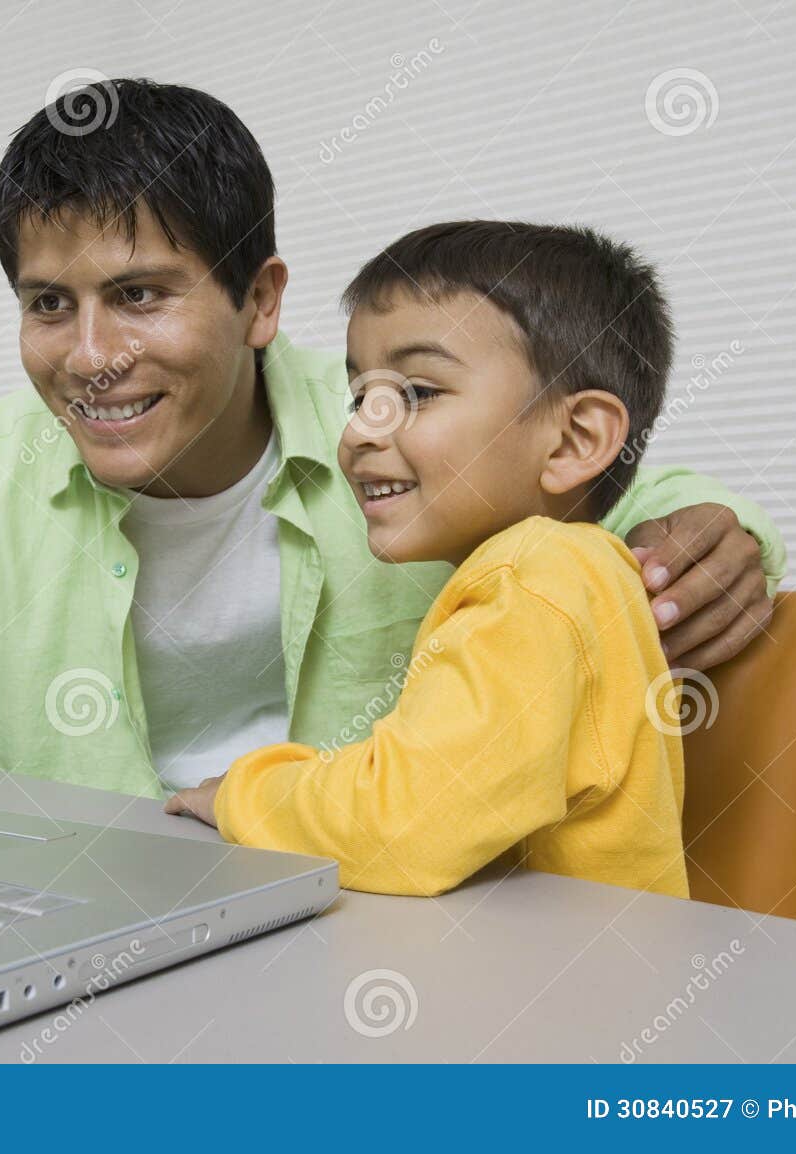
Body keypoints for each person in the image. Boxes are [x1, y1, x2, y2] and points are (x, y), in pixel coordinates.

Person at [0, 80, 783, 798]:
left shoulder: (384, 426)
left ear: (259, 300)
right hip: (78, 950)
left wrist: (721, 533)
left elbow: (603, 484)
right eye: (49, 304)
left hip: (361, 923)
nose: (88, 355)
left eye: (138, 294)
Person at [166, 221, 690, 899]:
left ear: (574, 441)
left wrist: (242, 794)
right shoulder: (560, 572)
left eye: (418, 392)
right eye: (360, 398)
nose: (359, 431)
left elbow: (400, 824)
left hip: (566, 998)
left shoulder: (534, 577)